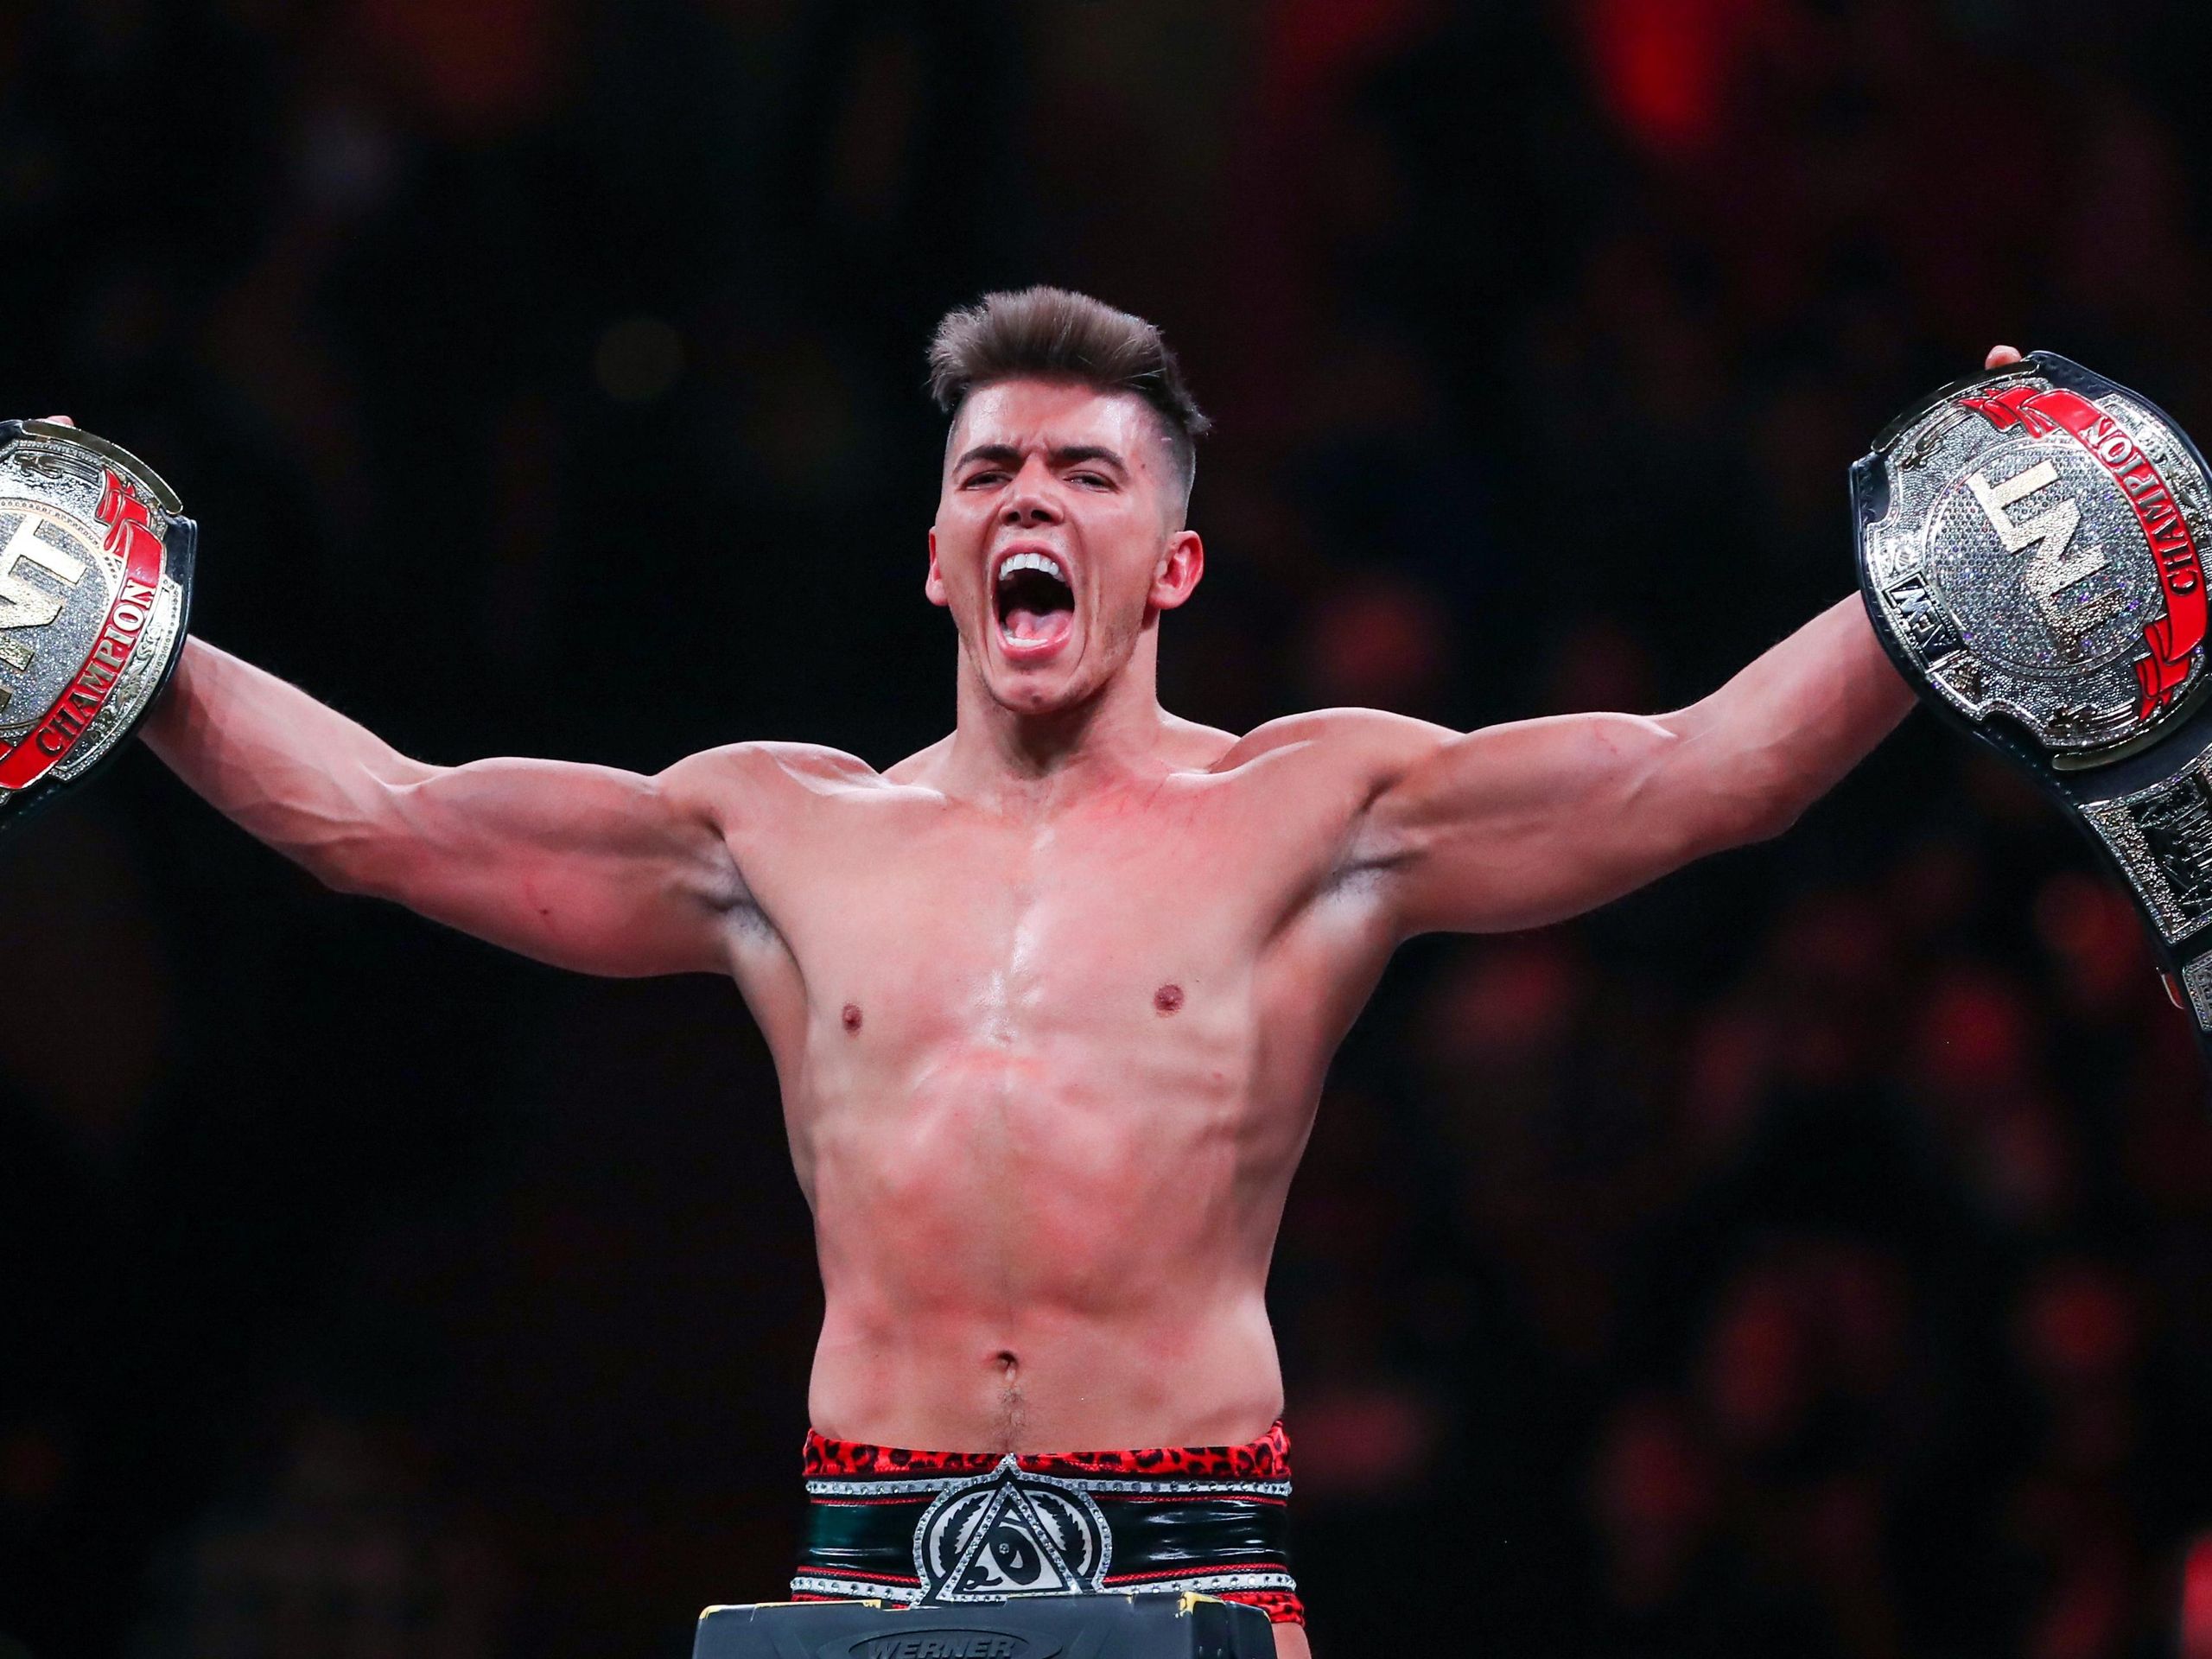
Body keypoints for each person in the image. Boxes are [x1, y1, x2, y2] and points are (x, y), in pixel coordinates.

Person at [111, 292, 1997, 1658]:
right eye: (990, 471)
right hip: (867, 1567)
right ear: (938, 555)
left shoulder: (1315, 810)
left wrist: (1947, 559)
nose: (1032, 499)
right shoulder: (776, 834)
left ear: (1170, 564)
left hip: (1186, 1560)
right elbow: (387, 818)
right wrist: (123, 638)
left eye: (1087, 474)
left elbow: (1703, 774)